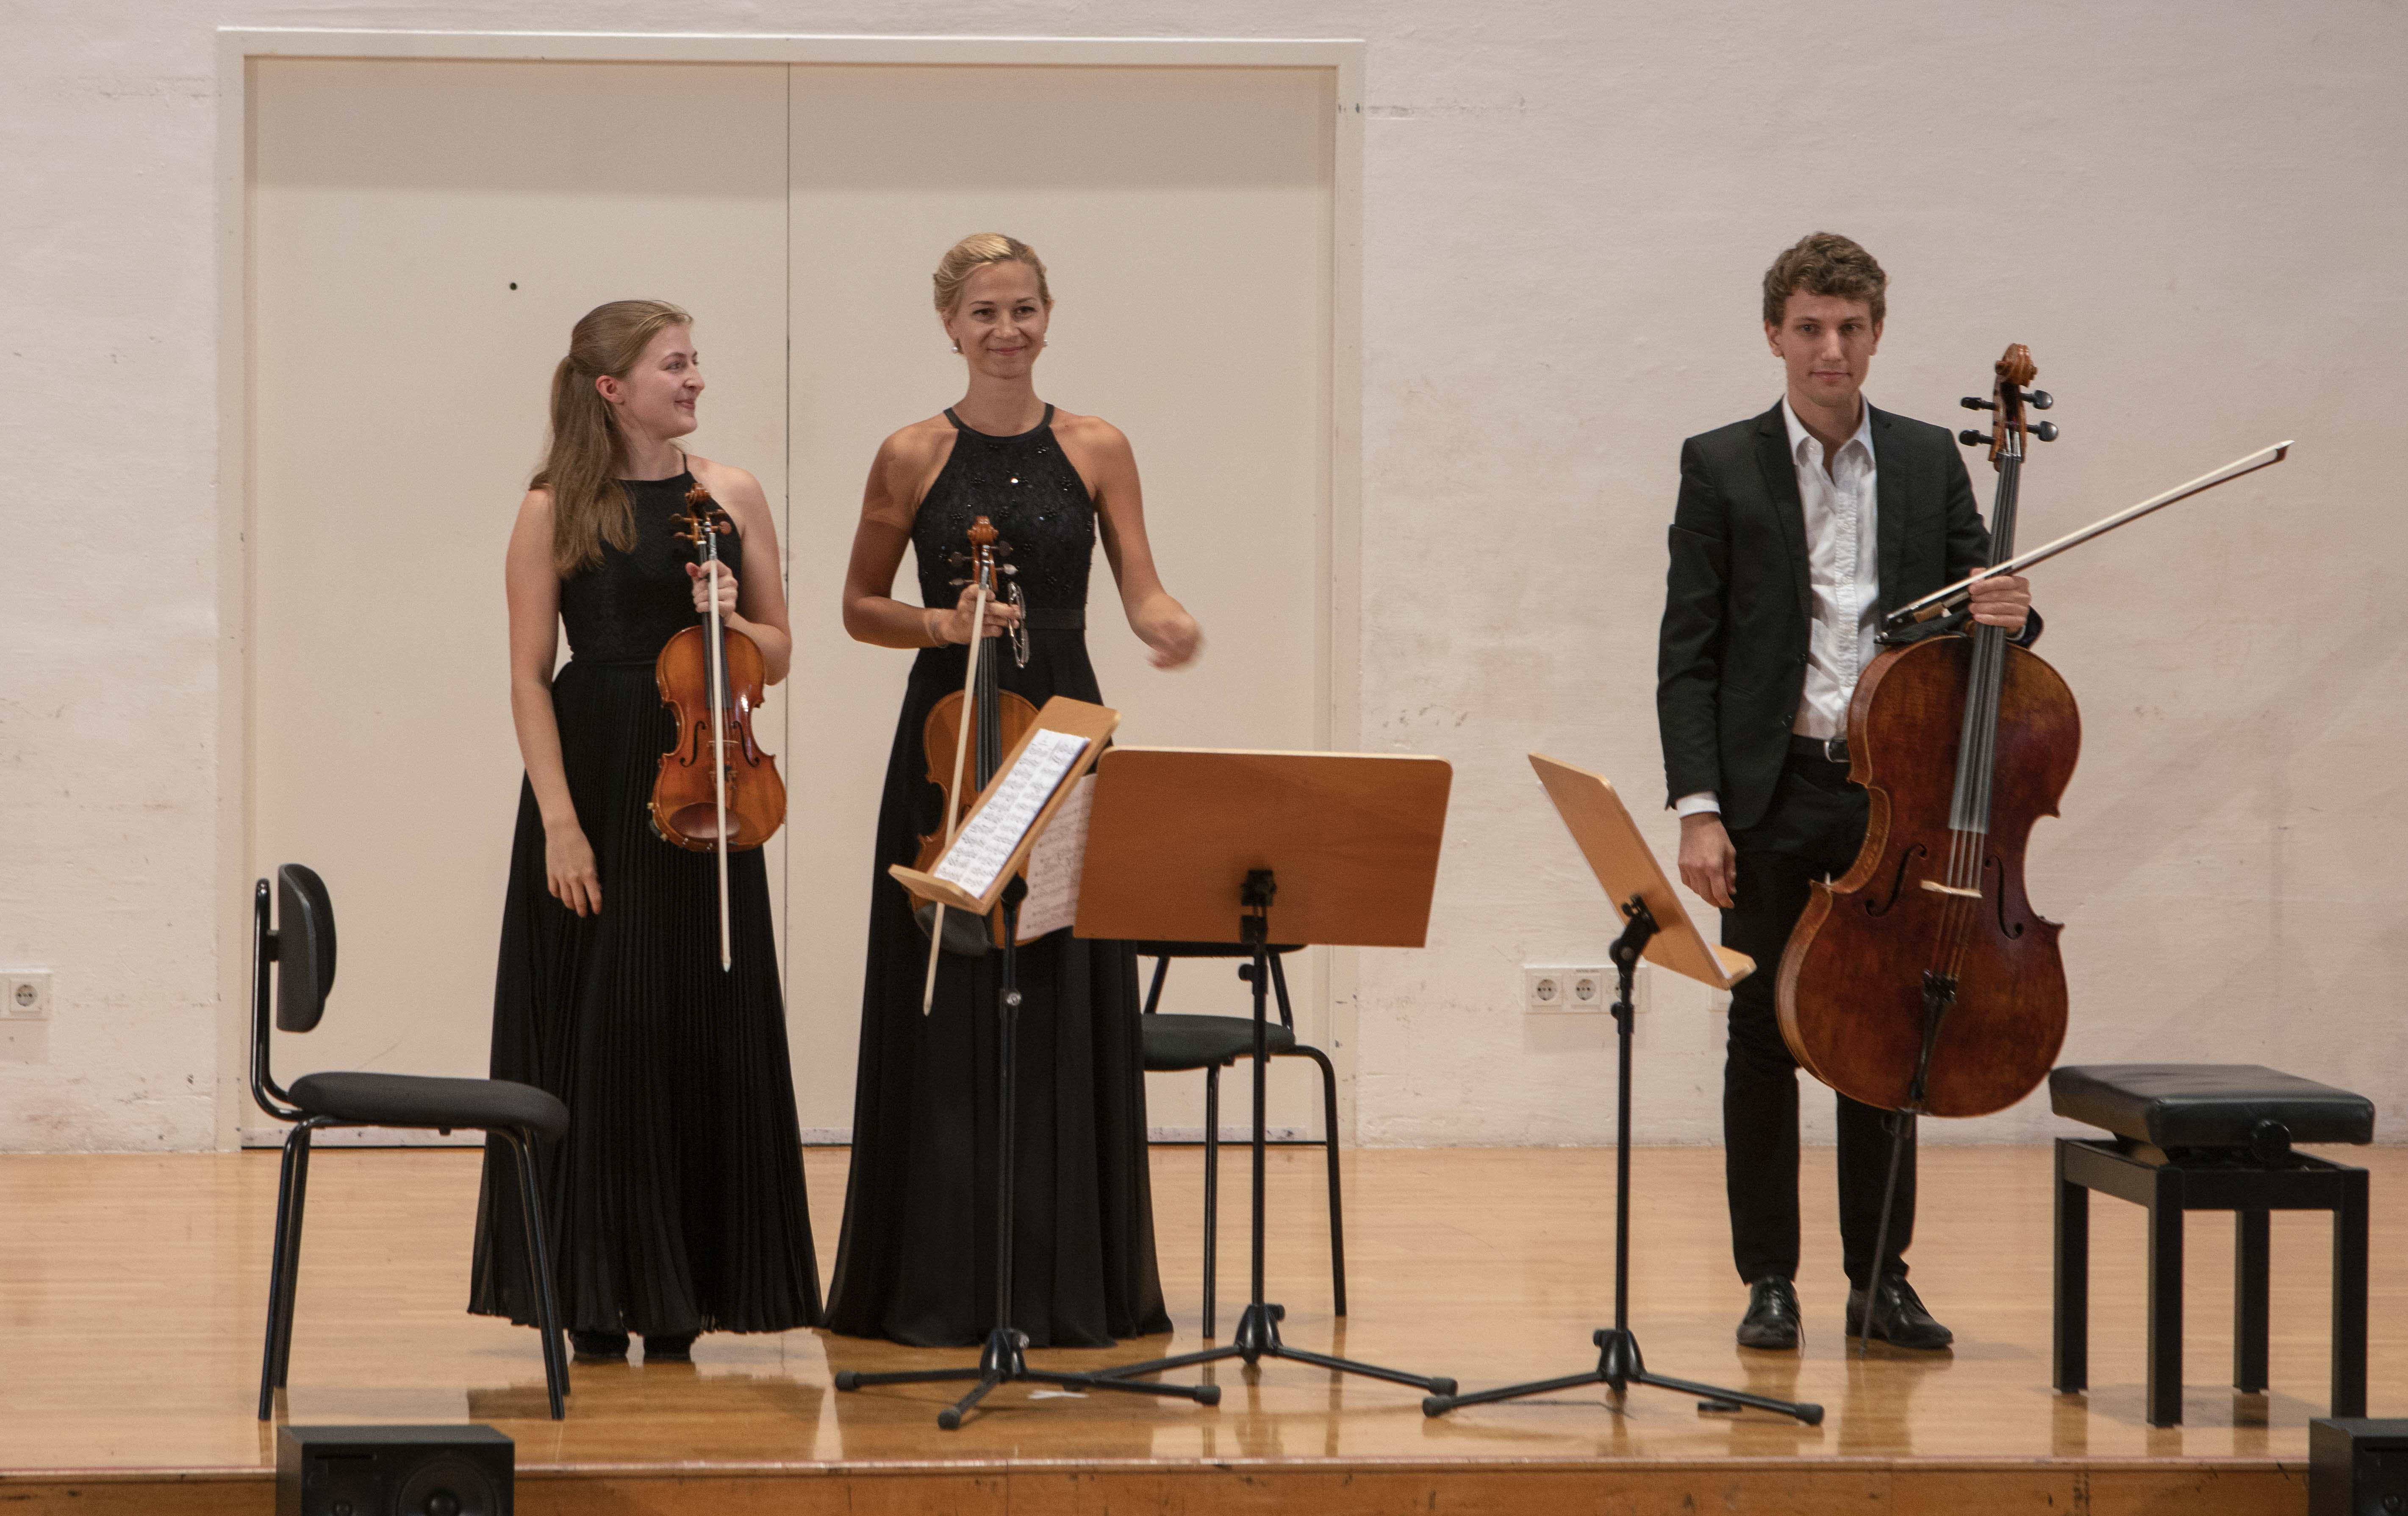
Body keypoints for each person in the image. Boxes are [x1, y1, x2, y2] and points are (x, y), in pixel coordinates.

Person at [1656, 233, 2037, 1353]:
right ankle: (1766, 1279)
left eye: (1851, 328)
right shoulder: (1719, 465)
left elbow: (1990, 610)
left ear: (1876, 334)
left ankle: (1881, 1279)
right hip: (1772, 789)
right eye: (1810, 328)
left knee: (1887, 1037)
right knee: (1761, 1031)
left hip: (1894, 794)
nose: (1831, 348)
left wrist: (2014, 612)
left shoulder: (1926, 461)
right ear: (1774, 334)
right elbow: (1691, 651)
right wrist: (1697, 806)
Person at [826, 233, 1204, 1347]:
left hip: (1062, 724)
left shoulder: (1096, 446)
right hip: (951, 732)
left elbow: (1138, 582)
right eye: (984, 313)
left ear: (1048, 317)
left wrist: (1163, 620)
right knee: (948, 985)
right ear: (950, 325)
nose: (1006, 331)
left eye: (1024, 309)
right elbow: (857, 604)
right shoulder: (908, 453)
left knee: (1062, 974)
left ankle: (1066, 1277)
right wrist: (945, 621)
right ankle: (935, 1277)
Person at [469, 299, 821, 1362]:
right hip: (598, 774)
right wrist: (560, 824)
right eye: (676, 364)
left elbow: (781, 647)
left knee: (697, 1020)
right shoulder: (551, 508)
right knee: (604, 1029)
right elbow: (531, 677)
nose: (697, 379)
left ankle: (690, 1295)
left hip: (707, 776)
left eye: (697, 361)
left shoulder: (732, 494)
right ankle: (592, 1289)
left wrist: (735, 616)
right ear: (613, 388)